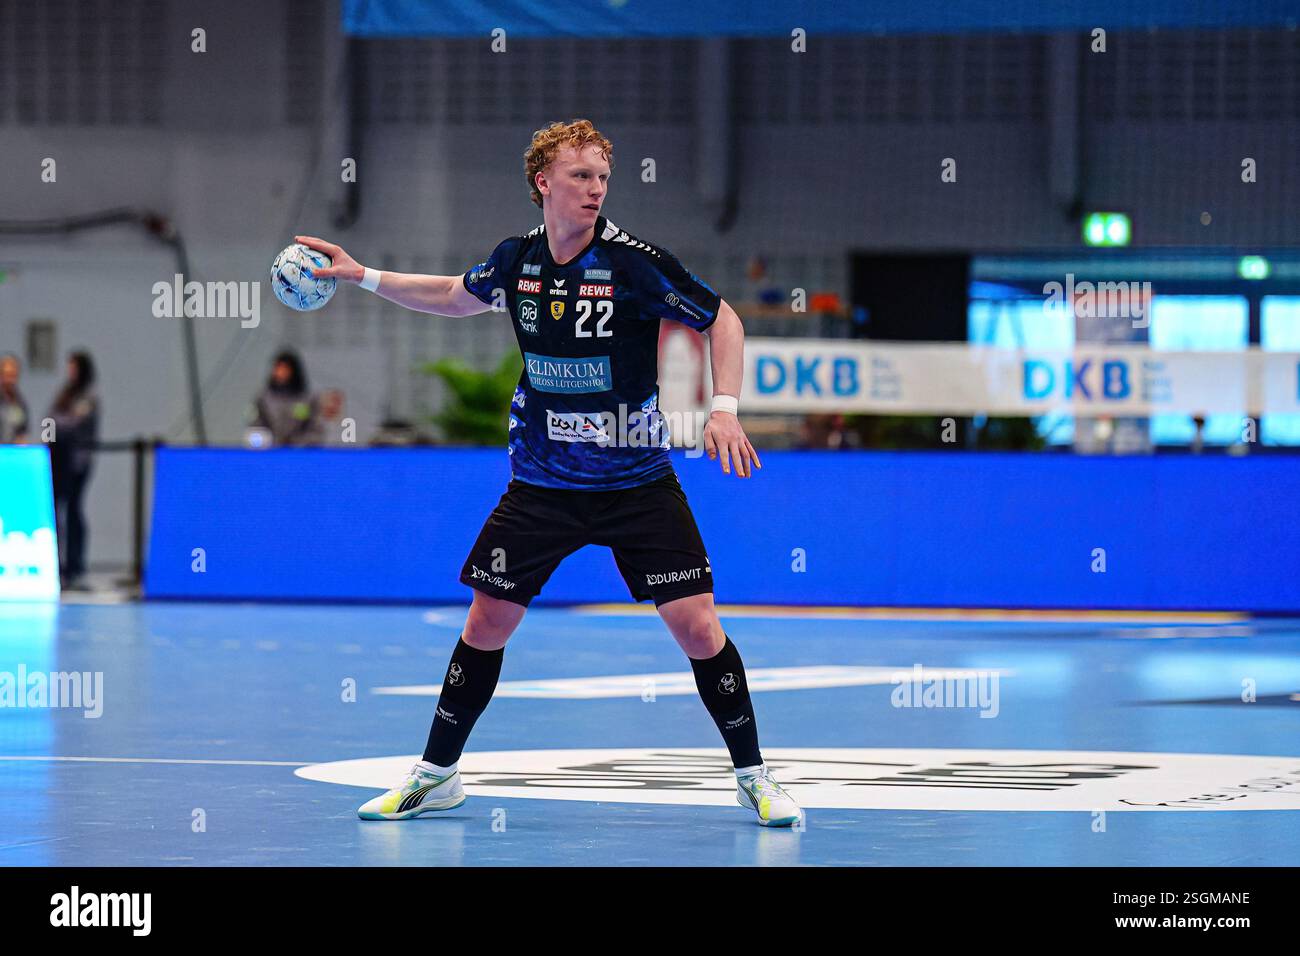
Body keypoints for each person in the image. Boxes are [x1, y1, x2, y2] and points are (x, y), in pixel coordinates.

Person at [297, 118, 802, 828]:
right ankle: (436, 775)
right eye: (580, 176)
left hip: (636, 484)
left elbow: (722, 321)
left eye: (602, 177)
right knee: (487, 621)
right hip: (541, 486)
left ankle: (755, 775)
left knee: (697, 627)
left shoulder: (633, 264)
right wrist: (363, 275)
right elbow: (450, 296)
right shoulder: (518, 261)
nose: (595, 189)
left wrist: (724, 408)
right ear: (543, 182)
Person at [48, 351, 99, 587]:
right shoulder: (64, 395)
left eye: (73, 367)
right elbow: (49, 420)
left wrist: (57, 423)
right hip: (59, 460)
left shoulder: (88, 397)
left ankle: (76, 564)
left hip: (78, 462)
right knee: (58, 510)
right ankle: (59, 564)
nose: (70, 372)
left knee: (74, 510)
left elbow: (69, 422)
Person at [250, 350, 321, 446]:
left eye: (285, 369)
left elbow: (315, 428)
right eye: (278, 368)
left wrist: (300, 444)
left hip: (300, 452)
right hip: (271, 451)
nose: (280, 373)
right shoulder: (263, 399)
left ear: (294, 371)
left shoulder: (308, 399)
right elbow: (257, 426)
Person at [0, 353, 30, 443]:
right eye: (7, 375)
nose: (10, 380)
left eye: (13, 376)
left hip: (11, 453)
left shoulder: (20, 403)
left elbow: (23, 430)